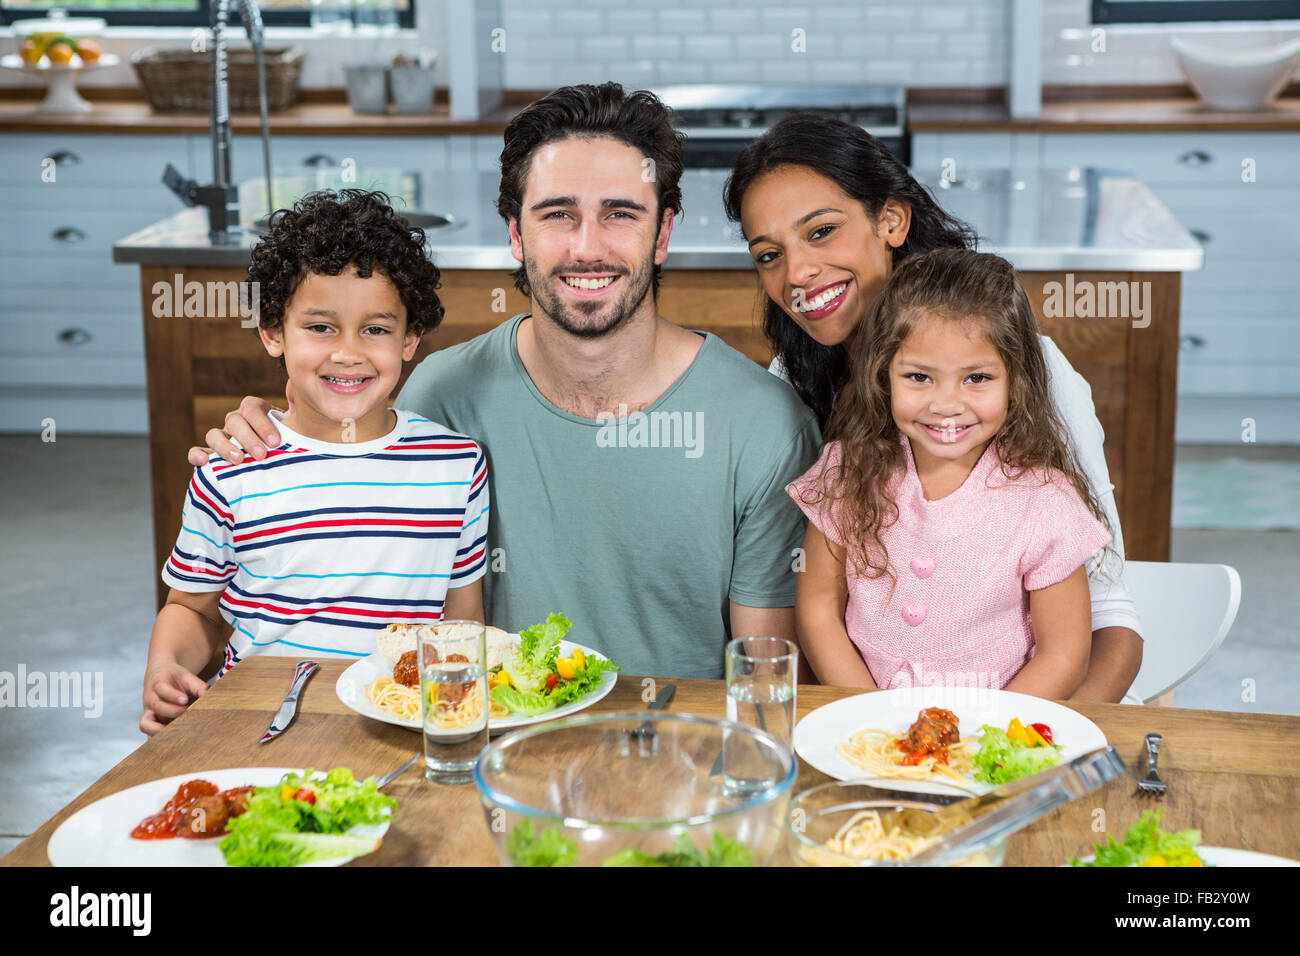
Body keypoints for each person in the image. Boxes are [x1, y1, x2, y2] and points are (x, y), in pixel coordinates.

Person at [187, 83, 821, 680]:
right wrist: (277, 435)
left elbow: (762, 682)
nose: (587, 247)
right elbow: (335, 533)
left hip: (681, 773)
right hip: (482, 768)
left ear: (664, 234)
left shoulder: (763, 426)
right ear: (516, 234)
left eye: (620, 214)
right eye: (558, 215)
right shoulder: (441, 396)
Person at [724, 114, 1143, 702]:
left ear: (891, 220)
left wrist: (1022, 756)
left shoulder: (1037, 375)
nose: (797, 272)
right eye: (769, 255)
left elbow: (1109, 617)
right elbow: (803, 595)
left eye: (820, 232)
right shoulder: (788, 383)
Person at [142, 190, 488, 735]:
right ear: (273, 331)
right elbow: (192, 609)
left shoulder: (457, 465)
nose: (347, 352)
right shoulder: (230, 467)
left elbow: (463, 622)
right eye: (321, 326)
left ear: (410, 339)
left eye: (375, 328)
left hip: (400, 727)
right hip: (264, 726)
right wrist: (166, 668)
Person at [788, 249, 1112, 698]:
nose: (945, 404)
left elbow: (1063, 655)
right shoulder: (847, 473)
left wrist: (987, 735)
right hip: (868, 730)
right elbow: (819, 608)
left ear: (1015, 381)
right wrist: (866, 712)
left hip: (990, 742)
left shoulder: (1046, 501)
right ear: (883, 376)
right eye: (919, 377)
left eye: (976, 378)